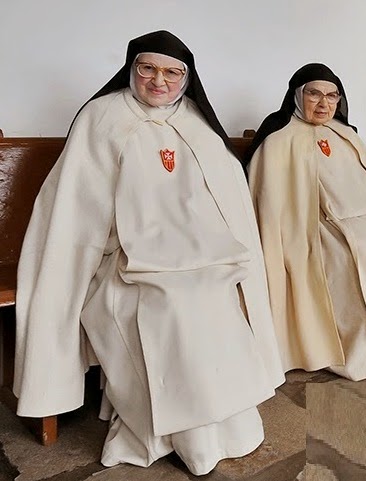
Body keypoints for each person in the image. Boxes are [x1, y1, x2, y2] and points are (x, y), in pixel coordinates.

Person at [13, 30, 284, 475]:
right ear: (131, 69)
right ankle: (186, 438)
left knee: (213, 299)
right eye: (148, 68)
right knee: (176, 307)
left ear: (187, 78)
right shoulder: (101, 118)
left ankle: (226, 430)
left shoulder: (197, 122)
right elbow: (76, 216)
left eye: (173, 72)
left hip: (199, 259)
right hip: (124, 264)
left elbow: (226, 201)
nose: (160, 81)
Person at [245, 63, 366, 381]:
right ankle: (363, 354)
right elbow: (272, 209)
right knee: (362, 255)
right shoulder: (279, 140)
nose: (324, 104)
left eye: (332, 96)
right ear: (297, 96)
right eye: (314, 94)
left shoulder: (345, 134)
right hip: (313, 228)